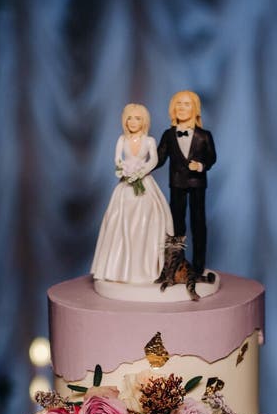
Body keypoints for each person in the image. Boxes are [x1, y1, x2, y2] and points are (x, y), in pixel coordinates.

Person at [91, 103, 173, 283]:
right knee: (119, 220)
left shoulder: (149, 141)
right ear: (124, 121)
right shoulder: (122, 139)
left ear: (144, 121)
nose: (133, 122)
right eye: (130, 118)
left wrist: (141, 172)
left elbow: (154, 160)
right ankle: (119, 269)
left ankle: (146, 266)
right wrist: (124, 170)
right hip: (126, 186)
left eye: (137, 118)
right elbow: (117, 158)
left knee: (147, 219)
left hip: (144, 183)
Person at [156, 90, 216, 276]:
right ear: (173, 108)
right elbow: (159, 158)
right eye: (178, 104)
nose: (182, 107)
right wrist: (140, 166)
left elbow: (212, 158)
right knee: (176, 224)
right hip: (177, 184)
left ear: (195, 109)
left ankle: (198, 267)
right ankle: (177, 264)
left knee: (198, 224)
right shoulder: (168, 135)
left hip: (197, 183)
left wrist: (200, 166)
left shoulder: (204, 135)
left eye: (186, 104)